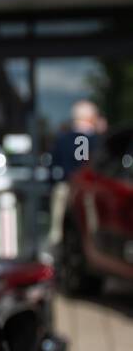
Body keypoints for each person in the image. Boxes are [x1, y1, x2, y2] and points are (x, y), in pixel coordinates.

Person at [47, 99, 106, 249]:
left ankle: (55, 253)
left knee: (57, 228)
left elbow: (53, 166)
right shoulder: (95, 140)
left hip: (64, 187)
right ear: (91, 117)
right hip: (87, 190)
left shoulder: (62, 139)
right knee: (91, 229)